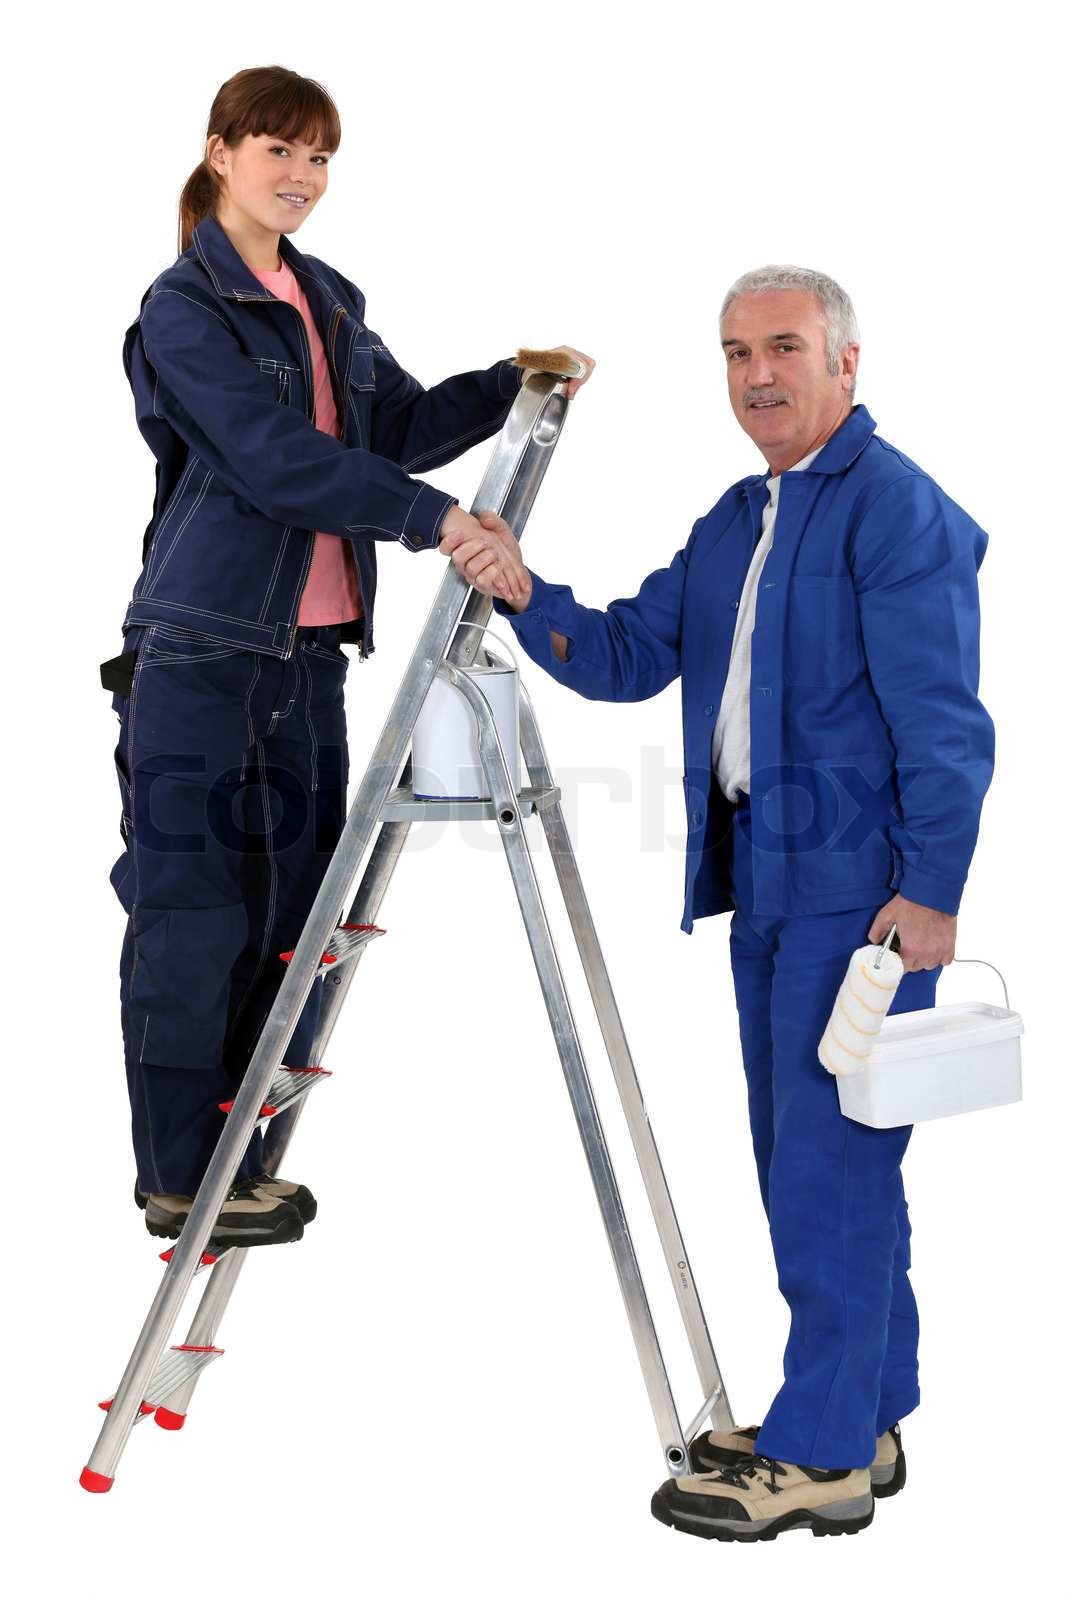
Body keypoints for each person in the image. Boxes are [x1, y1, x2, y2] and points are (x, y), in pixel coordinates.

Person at [440, 264, 995, 1541]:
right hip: (765, 881)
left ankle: (814, 1455)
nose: (757, 374)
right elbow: (635, 654)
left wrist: (928, 890)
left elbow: (941, 722)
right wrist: (525, 589)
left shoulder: (895, 512)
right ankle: (865, 1409)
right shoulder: (739, 518)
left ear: (844, 363)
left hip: (856, 898)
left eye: (785, 348)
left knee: (825, 1171)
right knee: (817, 1161)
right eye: (736, 352)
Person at [105, 63, 591, 1252]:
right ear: (221, 153)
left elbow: (391, 428)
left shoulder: (326, 297)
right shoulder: (185, 310)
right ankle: (180, 1172)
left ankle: (241, 1162)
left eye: (319, 158)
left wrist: (508, 384)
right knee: (191, 914)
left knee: (294, 920)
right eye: (279, 150)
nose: (302, 177)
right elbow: (274, 460)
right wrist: (434, 522)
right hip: (203, 651)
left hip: (309, 659)